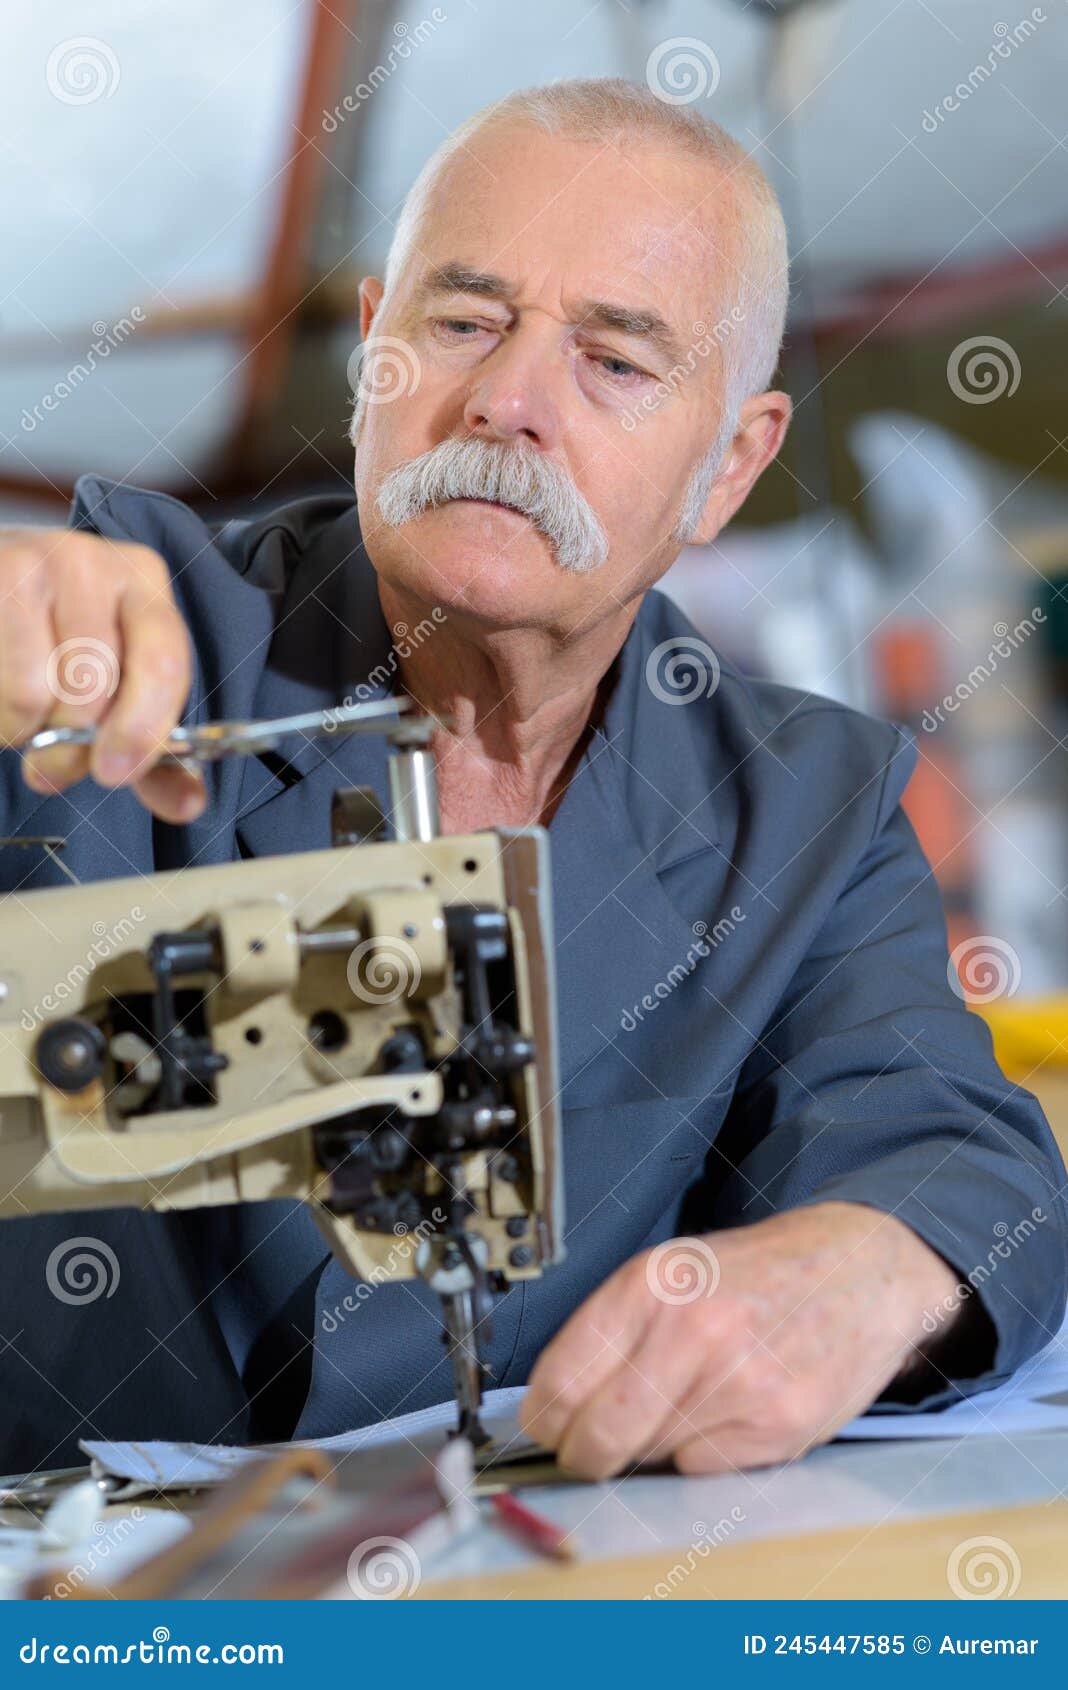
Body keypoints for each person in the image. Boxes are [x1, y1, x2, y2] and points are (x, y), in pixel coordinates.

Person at [0, 79, 1063, 1481]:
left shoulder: (808, 806)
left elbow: (959, 1151)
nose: (507, 402)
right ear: (374, 344)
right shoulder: (111, 649)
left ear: (731, 464)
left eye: (617, 362)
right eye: (460, 322)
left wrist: (869, 1265)